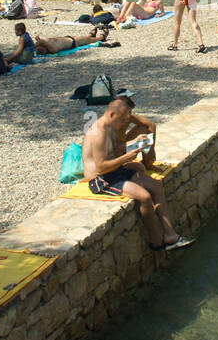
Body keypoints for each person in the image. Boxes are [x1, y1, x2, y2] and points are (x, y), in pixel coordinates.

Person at [82, 95, 192, 251]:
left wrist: (133, 143)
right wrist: (126, 157)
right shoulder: (99, 133)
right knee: (144, 197)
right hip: (101, 179)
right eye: (124, 118)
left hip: (115, 170)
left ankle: (170, 235)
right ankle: (156, 242)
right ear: (112, 114)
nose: (126, 121)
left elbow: (115, 151)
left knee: (156, 185)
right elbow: (100, 167)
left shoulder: (112, 125)